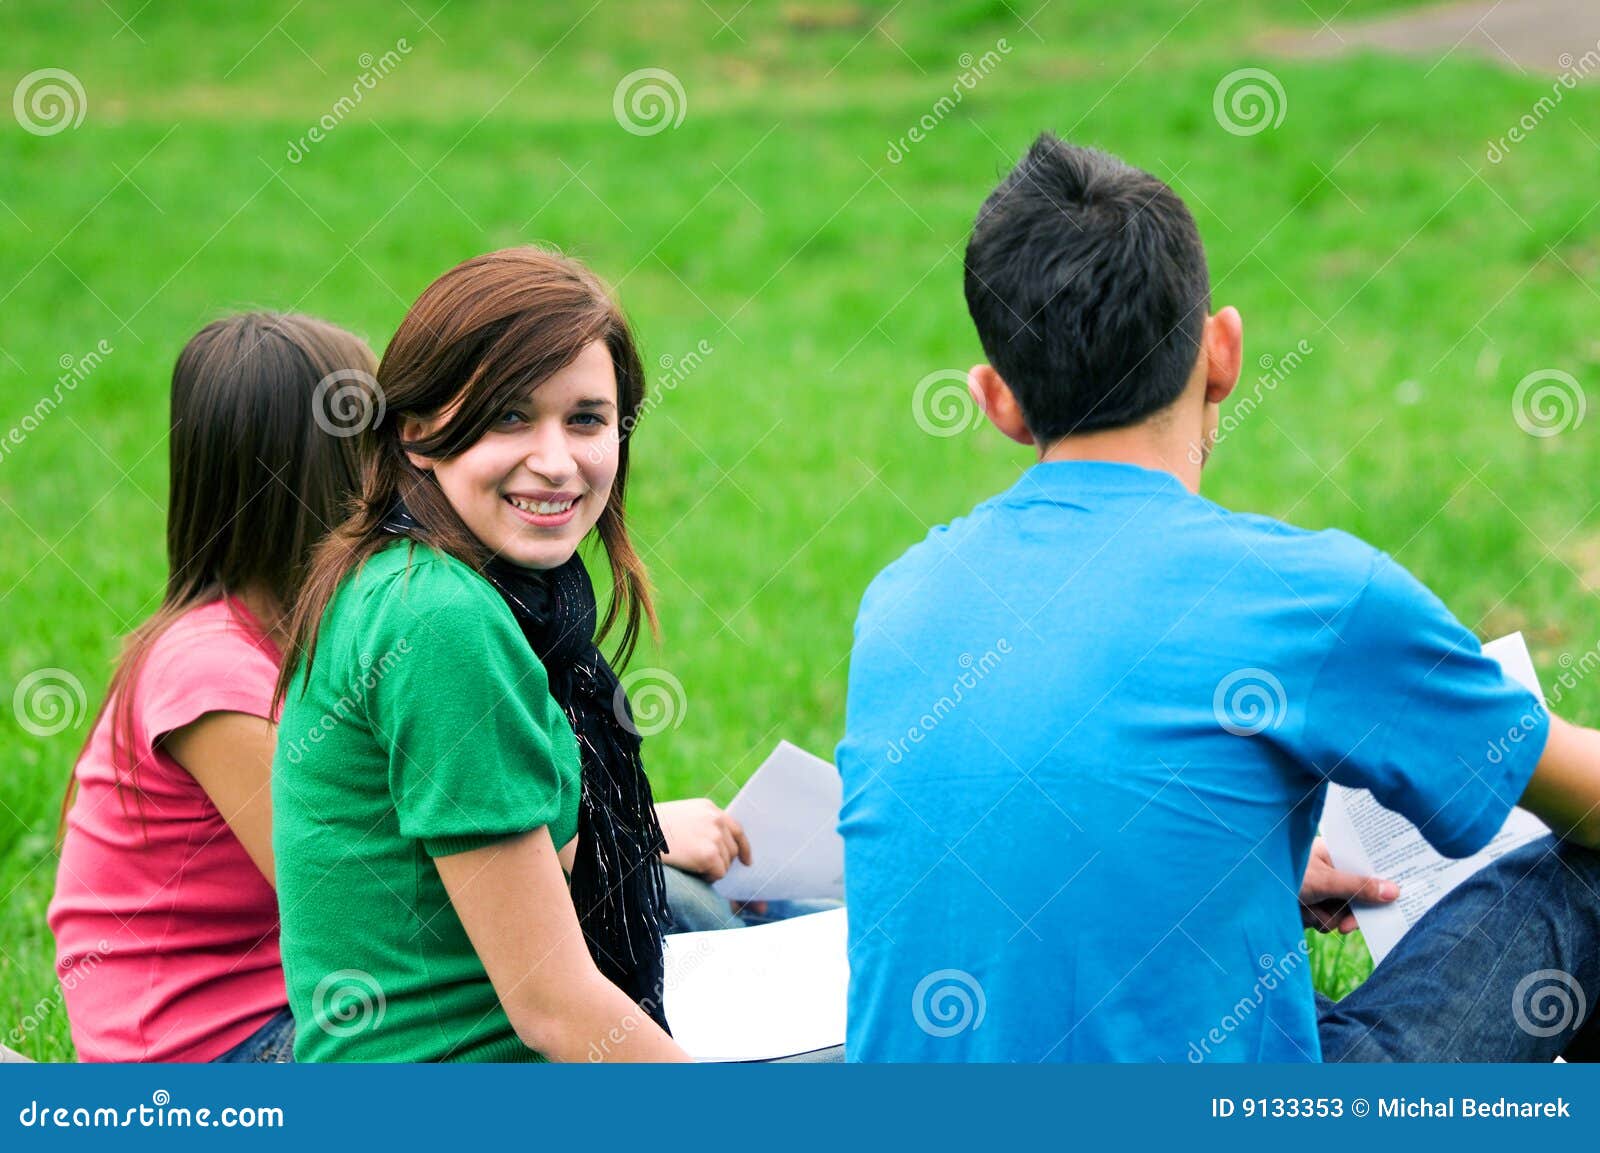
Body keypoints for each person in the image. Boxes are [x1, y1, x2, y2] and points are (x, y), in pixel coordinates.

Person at [836, 133, 1600, 1062]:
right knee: (1584, 884)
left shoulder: (899, 602)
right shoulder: (1306, 595)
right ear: (1224, 352)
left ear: (996, 400)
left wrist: (1243, 874)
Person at [272, 246, 744, 1062]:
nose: (557, 461)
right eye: (510, 416)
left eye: (587, 419)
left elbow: (545, 860)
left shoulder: (438, 580)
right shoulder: (441, 620)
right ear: (417, 431)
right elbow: (556, 1009)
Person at [49, 313, 375, 1062]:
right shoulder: (211, 671)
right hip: (215, 1051)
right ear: (319, 478)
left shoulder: (300, 637)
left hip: (284, 1004)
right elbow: (361, 896)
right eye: (371, 448)